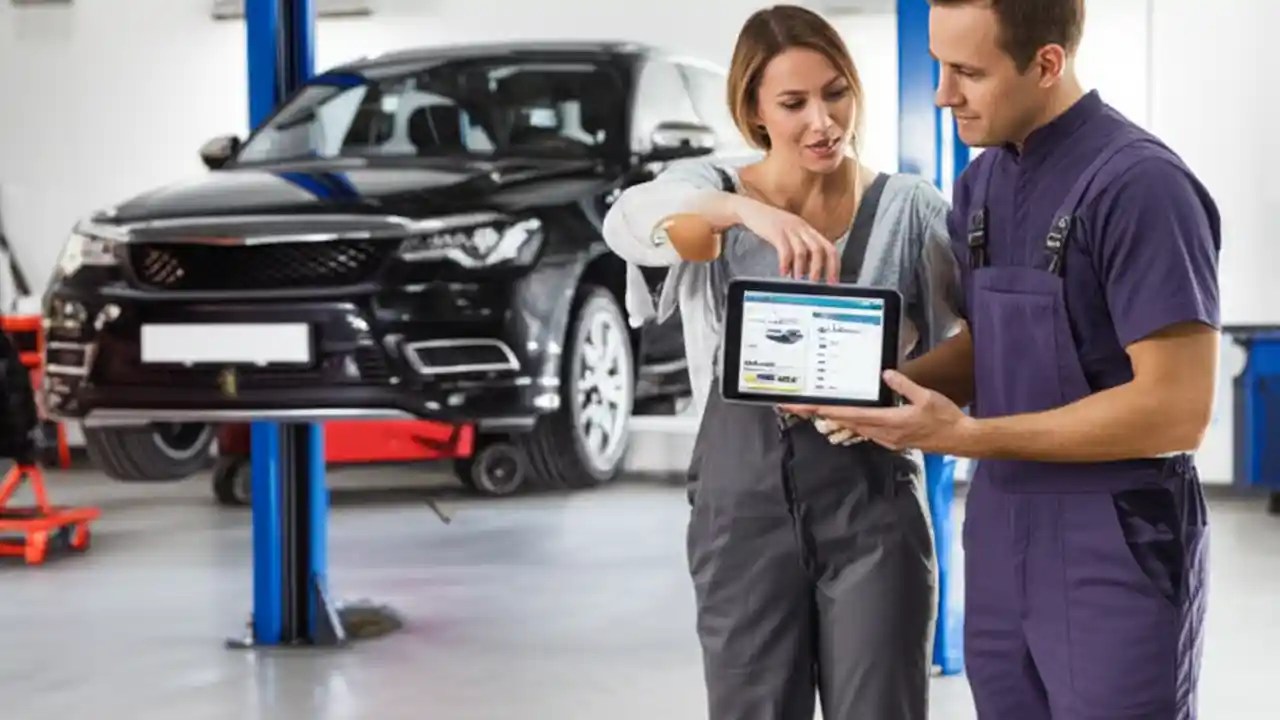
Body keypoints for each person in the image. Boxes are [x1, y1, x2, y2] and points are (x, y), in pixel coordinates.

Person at [784, 1, 1220, 718]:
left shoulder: (1142, 188)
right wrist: (870, 391)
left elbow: (1176, 411)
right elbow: (996, 349)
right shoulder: (982, 185)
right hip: (1000, 530)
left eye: (968, 72)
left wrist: (966, 437)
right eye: (938, 66)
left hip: (1114, 539)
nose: (942, 93)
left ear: (1047, 64)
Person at [602, 5, 964, 719]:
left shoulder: (910, 209)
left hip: (873, 509)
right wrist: (746, 214)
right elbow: (628, 221)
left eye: (836, 92)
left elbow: (971, 347)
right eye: (793, 103)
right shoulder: (710, 195)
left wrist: (895, 399)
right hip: (740, 509)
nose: (822, 122)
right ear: (755, 111)